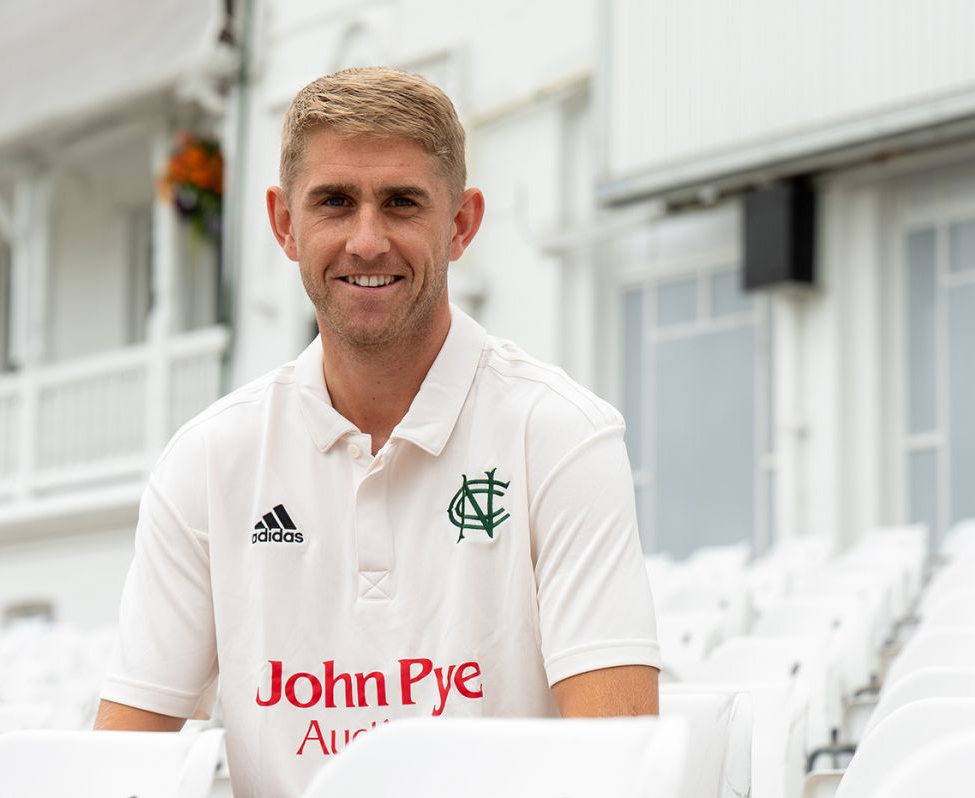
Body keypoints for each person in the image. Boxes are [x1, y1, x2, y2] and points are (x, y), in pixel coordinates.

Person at [95, 66, 660, 798]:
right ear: (283, 224)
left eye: (401, 203)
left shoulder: (560, 436)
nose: (367, 241)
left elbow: (618, 771)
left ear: (460, 225)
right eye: (334, 202)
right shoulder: (208, 462)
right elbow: (113, 773)